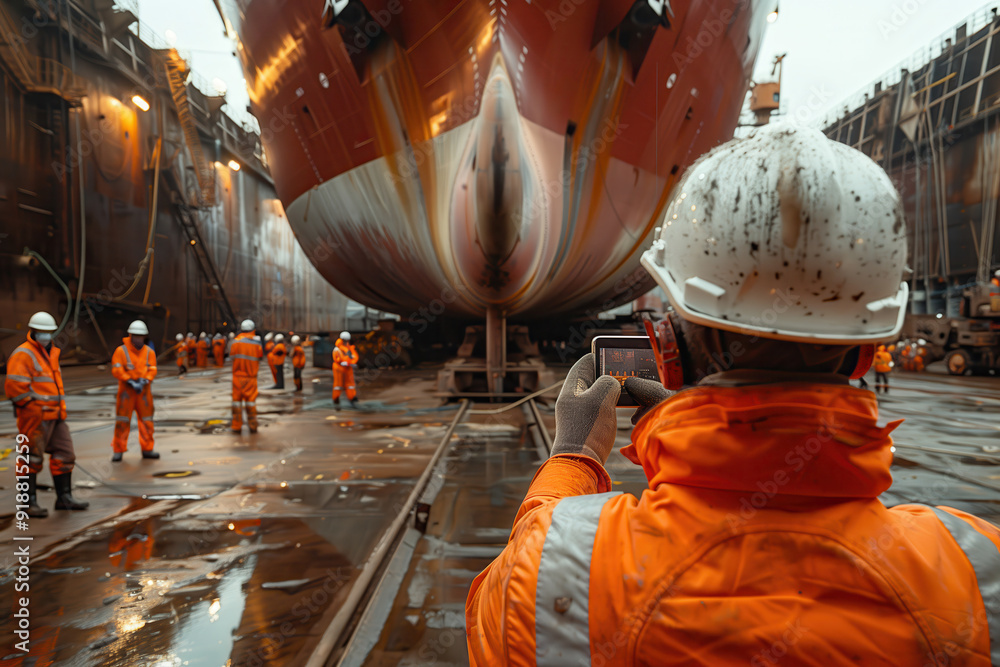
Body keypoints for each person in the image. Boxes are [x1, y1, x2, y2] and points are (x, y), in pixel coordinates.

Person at [466, 126, 1000, 665]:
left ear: (670, 346)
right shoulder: (975, 573)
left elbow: (501, 623)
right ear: (865, 353)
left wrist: (574, 458)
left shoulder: (556, 575)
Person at [5, 311, 89, 516]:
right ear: (33, 331)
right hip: (35, 416)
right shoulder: (23, 354)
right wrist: (33, 407)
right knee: (30, 457)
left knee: (65, 454)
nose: (45, 336)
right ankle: (28, 502)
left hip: (56, 415)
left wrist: (57, 409)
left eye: (48, 332)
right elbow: (14, 386)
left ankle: (64, 497)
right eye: (41, 332)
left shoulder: (51, 353)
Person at [110, 320, 159, 461]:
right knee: (122, 420)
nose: (138, 338)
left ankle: (147, 449)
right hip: (127, 392)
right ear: (130, 335)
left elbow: (153, 369)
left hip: (143, 392)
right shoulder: (121, 351)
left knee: (146, 421)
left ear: (144, 337)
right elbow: (117, 369)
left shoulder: (149, 352)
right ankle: (118, 450)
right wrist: (129, 380)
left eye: (140, 336)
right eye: (135, 335)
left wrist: (145, 380)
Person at [231, 319, 264, 433]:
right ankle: (253, 425)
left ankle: (236, 426)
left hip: (237, 377)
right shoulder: (257, 344)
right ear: (253, 330)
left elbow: (231, 357)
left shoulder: (235, 342)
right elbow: (260, 356)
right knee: (250, 402)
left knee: (236, 402)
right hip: (251, 378)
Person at [332, 331, 359, 408]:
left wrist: (352, 362)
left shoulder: (349, 348)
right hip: (339, 369)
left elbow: (354, 357)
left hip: (348, 368)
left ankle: (352, 398)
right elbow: (337, 358)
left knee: (350, 384)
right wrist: (342, 362)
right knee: (338, 385)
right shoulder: (337, 349)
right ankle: (336, 399)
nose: (346, 342)